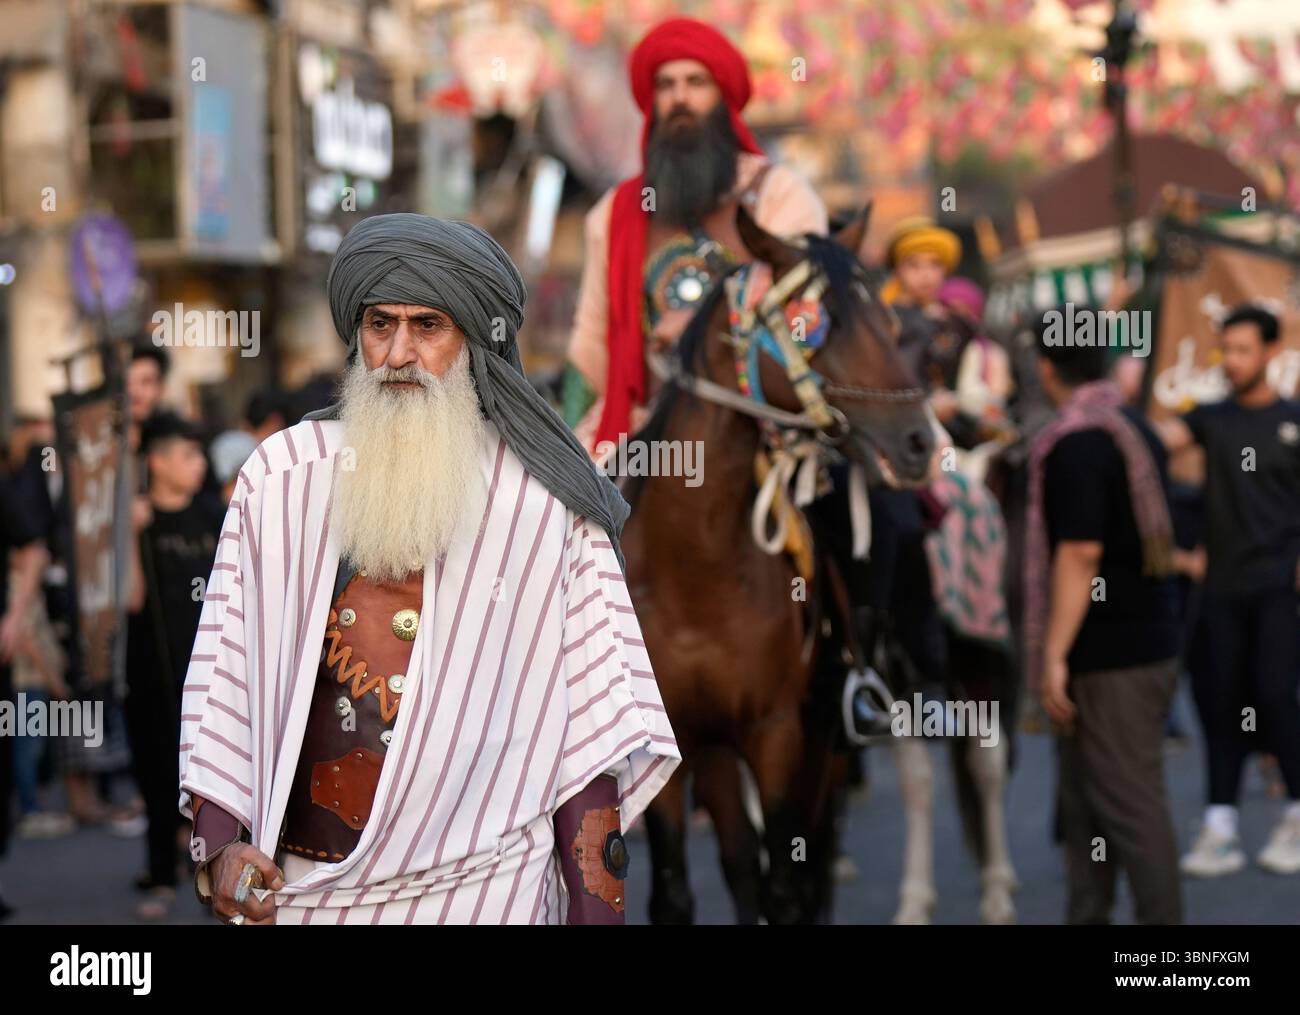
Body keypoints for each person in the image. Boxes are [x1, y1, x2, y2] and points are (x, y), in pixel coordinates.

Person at [179, 214, 680, 925]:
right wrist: (219, 848)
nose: (399, 352)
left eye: (428, 326)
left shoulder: (544, 502)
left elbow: (590, 736)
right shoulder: (281, 476)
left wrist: (596, 915)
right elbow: (225, 681)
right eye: (380, 324)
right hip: (302, 896)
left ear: (475, 340)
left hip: (488, 891)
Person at [561, 16, 827, 452]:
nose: (679, 97)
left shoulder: (779, 194)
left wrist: (706, 319)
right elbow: (591, 337)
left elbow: (807, 307)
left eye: (695, 82)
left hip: (767, 426)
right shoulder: (614, 213)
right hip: (649, 429)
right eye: (665, 85)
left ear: (722, 96)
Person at [1026, 314, 1183, 924]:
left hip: (1112, 659)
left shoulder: (1078, 442)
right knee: (1086, 813)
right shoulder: (1131, 427)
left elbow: (1079, 553)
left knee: (1131, 809)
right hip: (1143, 644)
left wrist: (1053, 656)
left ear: (1046, 368)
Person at [1157, 303, 1300, 876]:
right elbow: (1154, 441)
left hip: (1277, 589)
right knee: (1220, 705)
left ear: (1269, 351)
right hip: (1220, 589)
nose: (1232, 361)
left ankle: (1294, 816)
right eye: (1226, 350)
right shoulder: (1209, 418)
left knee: (1273, 695)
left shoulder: (1293, 422)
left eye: (1244, 350)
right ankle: (1220, 827)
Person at [125, 413, 224, 918]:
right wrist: (128, 535)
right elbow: (130, 599)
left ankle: (215, 872)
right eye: (186, 455)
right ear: (157, 462)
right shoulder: (139, 523)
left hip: (211, 667)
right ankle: (160, 871)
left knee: (214, 770)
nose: (198, 464)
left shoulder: (213, 514)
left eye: (199, 454)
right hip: (152, 669)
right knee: (155, 767)